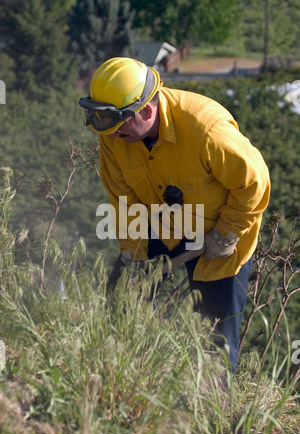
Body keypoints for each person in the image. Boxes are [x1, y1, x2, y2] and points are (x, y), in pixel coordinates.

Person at [79, 57, 271, 372]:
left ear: (145, 111)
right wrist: (134, 259)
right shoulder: (115, 132)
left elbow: (254, 183)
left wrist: (226, 233)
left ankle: (213, 409)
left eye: (112, 121)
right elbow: (123, 199)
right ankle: (129, 379)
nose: (108, 133)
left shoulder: (206, 130)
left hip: (218, 231)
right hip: (160, 222)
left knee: (213, 340)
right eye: (98, 118)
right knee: (121, 305)